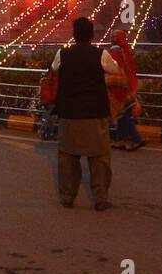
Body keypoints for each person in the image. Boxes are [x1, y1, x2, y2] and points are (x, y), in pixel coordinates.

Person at [50, 16, 120, 210]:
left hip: (70, 112)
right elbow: (114, 69)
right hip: (94, 113)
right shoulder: (101, 55)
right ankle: (100, 198)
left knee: (68, 159)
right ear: (91, 35)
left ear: (74, 35)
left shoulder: (62, 54)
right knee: (99, 158)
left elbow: (55, 70)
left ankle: (67, 197)